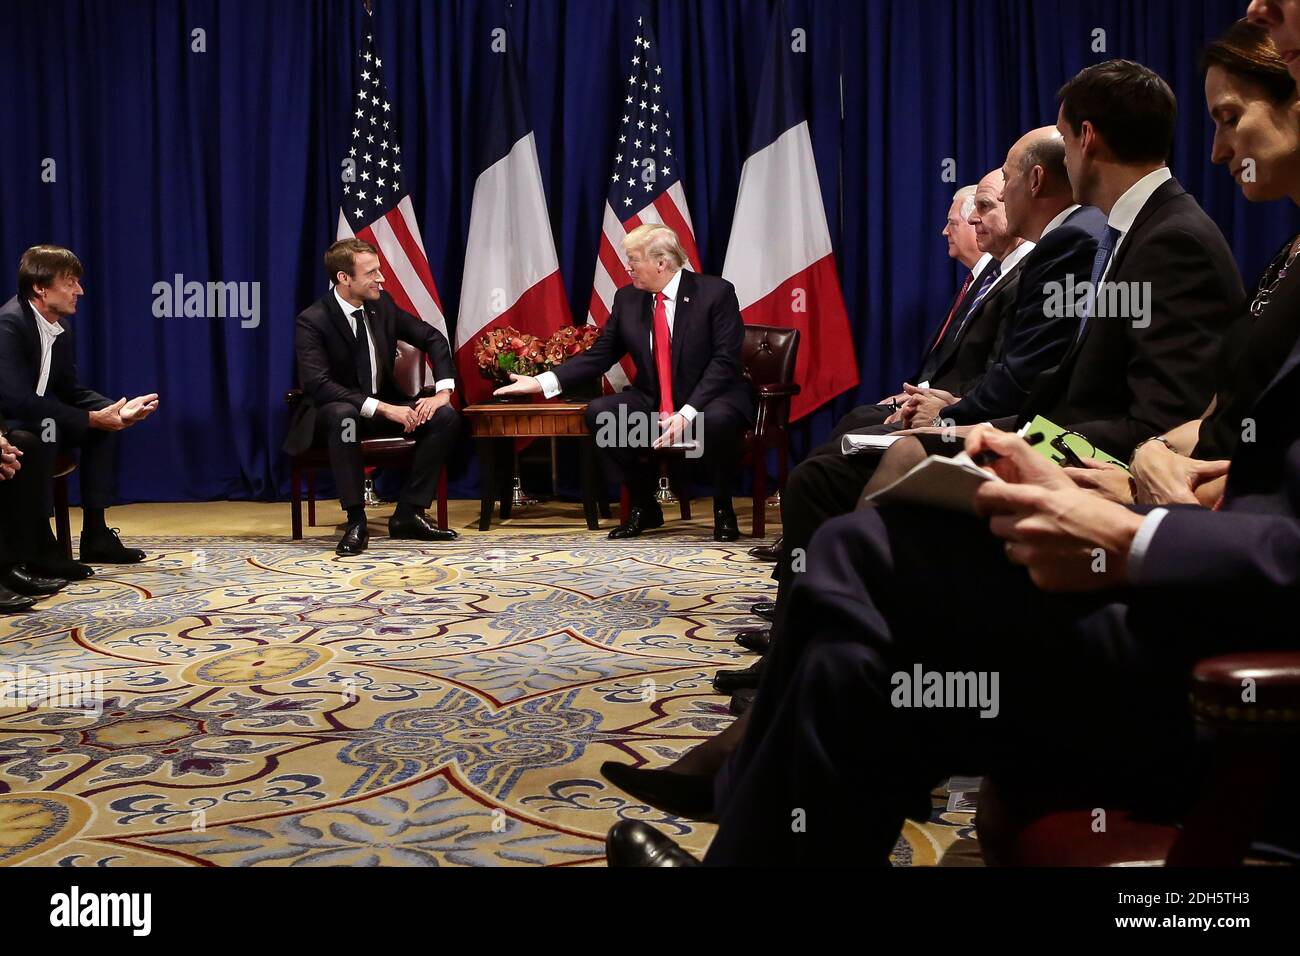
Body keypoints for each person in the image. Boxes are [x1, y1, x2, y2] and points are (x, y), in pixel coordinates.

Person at [493, 223, 755, 541]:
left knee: (716, 420)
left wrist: (687, 413)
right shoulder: (628, 299)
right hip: (655, 398)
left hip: (712, 398)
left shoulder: (715, 293)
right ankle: (645, 506)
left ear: (662, 262)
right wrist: (541, 382)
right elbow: (600, 355)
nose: (627, 266)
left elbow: (724, 362)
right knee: (602, 414)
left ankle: (723, 509)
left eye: (633, 258)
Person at [284, 238, 461, 556]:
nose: (381, 278)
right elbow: (319, 384)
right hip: (338, 418)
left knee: (445, 417)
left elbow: (432, 337)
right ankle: (356, 520)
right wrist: (385, 410)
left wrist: (443, 392)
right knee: (343, 416)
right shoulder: (312, 321)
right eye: (371, 272)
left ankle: (409, 512)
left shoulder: (383, 305)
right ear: (344, 278)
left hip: (385, 409)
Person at [0, 245, 159, 579]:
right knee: (40, 436)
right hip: (9, 424)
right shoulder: (10, 325)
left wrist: (114, 410)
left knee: (101, 429)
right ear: (40, 287)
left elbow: (70, 390)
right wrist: (89, 417)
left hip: (38, 417)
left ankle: (97, 535)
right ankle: (41, 547)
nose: (80, 291)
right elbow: (18, 401)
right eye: (70, 282)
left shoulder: (60, 328)